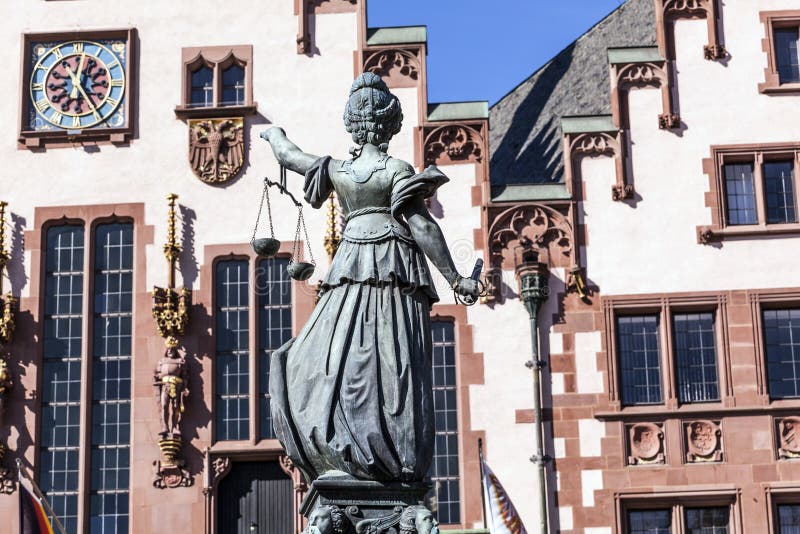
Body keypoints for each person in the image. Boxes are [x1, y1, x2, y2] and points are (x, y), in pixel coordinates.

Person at [261, 72, 479, 483]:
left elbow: (292, 156)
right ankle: (391, 447)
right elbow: (423, 226)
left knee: (345, 354)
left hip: (351, 265)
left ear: (351, 124)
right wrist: (455, 278)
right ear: (392, 125)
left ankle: (347, 437)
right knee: (391, 356)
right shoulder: (396, 170)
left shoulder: (340, 171)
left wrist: (273, 135)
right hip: (394, 266)